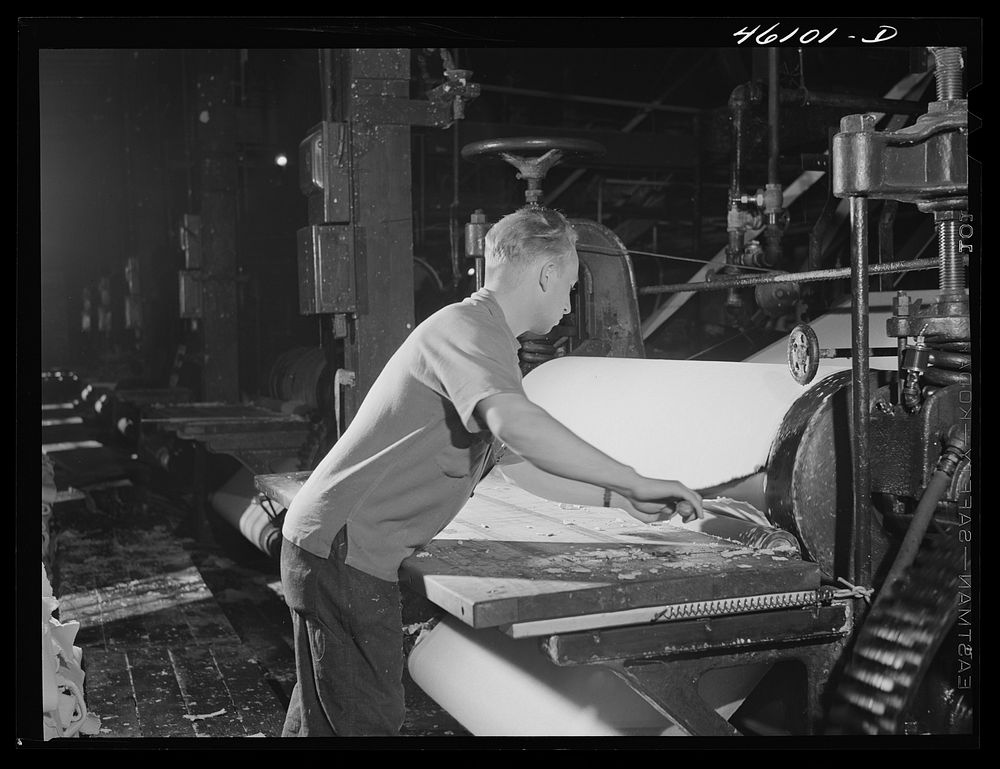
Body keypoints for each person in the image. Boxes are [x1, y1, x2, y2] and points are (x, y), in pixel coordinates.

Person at [279, 205, 703, 737]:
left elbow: (519, 463)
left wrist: (619, 500)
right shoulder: (466, 328)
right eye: (570, 286)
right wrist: (634, 477)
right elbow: (517, 425)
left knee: (323, 720)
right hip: (345, 555)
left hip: (330, 547)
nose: (569, 304)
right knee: (365, 724)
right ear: (547, 274)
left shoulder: (488, 338)